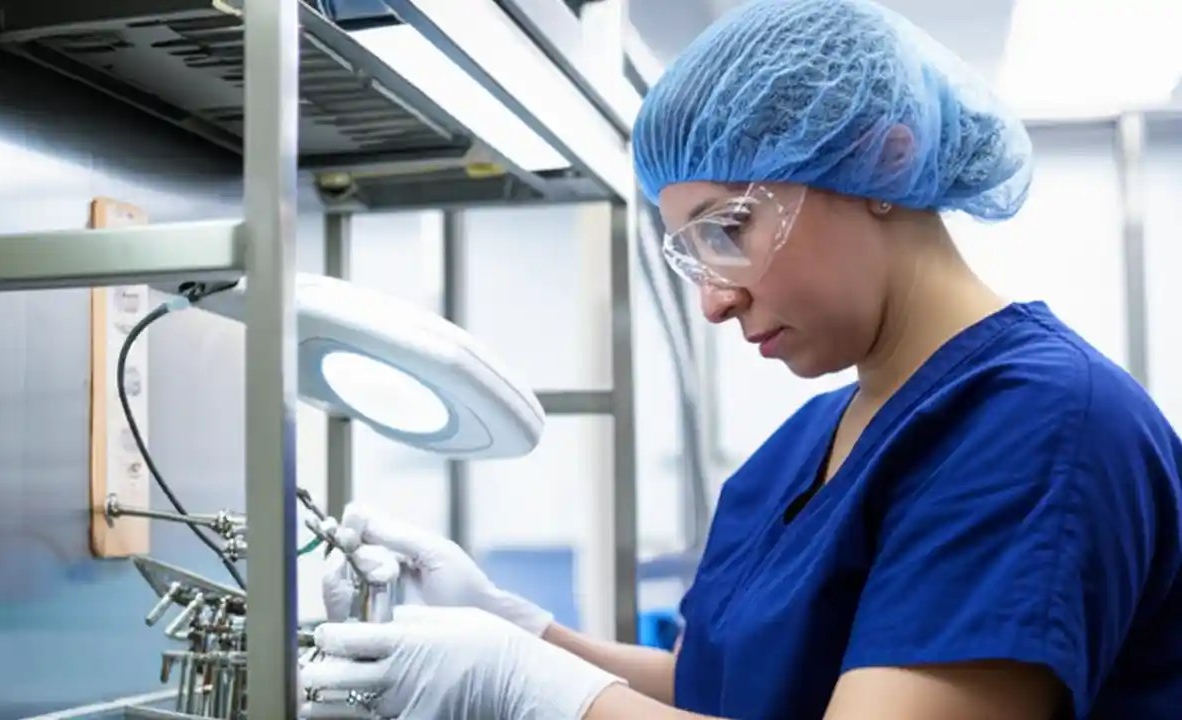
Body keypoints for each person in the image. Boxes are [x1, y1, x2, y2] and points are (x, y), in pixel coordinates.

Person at [301, 0, 1182, 717]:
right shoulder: (804, 443)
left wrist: (525, 690)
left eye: (730, 228)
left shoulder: (1042, 424)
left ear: (884, 159)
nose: (714, 300)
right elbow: (709, 691)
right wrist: (515, 628)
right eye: (693, 253)